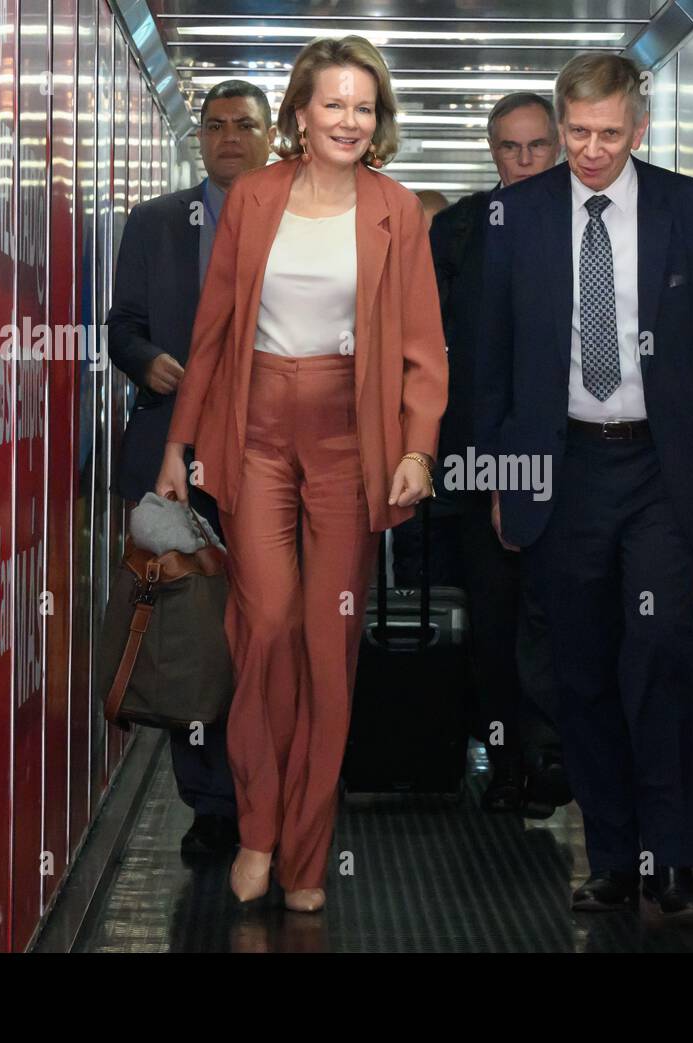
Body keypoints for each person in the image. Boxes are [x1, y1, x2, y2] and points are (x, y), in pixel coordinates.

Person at [156, 35, 447, 913]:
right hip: (252, 430)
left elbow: (423, 348)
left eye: (364, 106)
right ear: (300, 113)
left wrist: (417, 447)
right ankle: (256, 827)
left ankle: (307, 854)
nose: (350, 120)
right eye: (334, 104)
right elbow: (212, 330)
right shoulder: (254, 197)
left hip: (347, 436)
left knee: (330, 648)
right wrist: (178, 444)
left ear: (377, 119)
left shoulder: (398, 211)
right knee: (267, 625)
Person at [475, 53, 693, 920]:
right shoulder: (514, 217)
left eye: (608, 133)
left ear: (640, 128)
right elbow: (491, 359)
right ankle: (609, 858)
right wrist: (497, 469)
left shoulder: (690, 212)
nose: (591, 150)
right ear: (559, 126)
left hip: (662, 472)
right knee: (583, 669)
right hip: (563, 471)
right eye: (576, 133)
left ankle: (672, 860)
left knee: (663, 654)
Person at [107, 78, 276, 861]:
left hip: (276, 455)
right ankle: (211, 805)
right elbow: (122, 327)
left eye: (245, 124)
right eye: (216, 125)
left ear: (271, 134)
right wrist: (148, 363)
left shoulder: (296, 217)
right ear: (200, 136)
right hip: (176, 454)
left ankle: (271, 798)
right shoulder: (155, 223)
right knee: (191, 632)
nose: (230, 137)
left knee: (267, 628)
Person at [426, 92, 567, 815]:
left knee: (564, 615)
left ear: (560, 145)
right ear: (491, 150)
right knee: (496, 616)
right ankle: (512, 761)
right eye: (510, 147)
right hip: (483, 457)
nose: (523, 160)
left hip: (574, 459)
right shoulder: (456, 231)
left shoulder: (593, 223)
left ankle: (556, 758)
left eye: (536, 146)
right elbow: (436, 350)